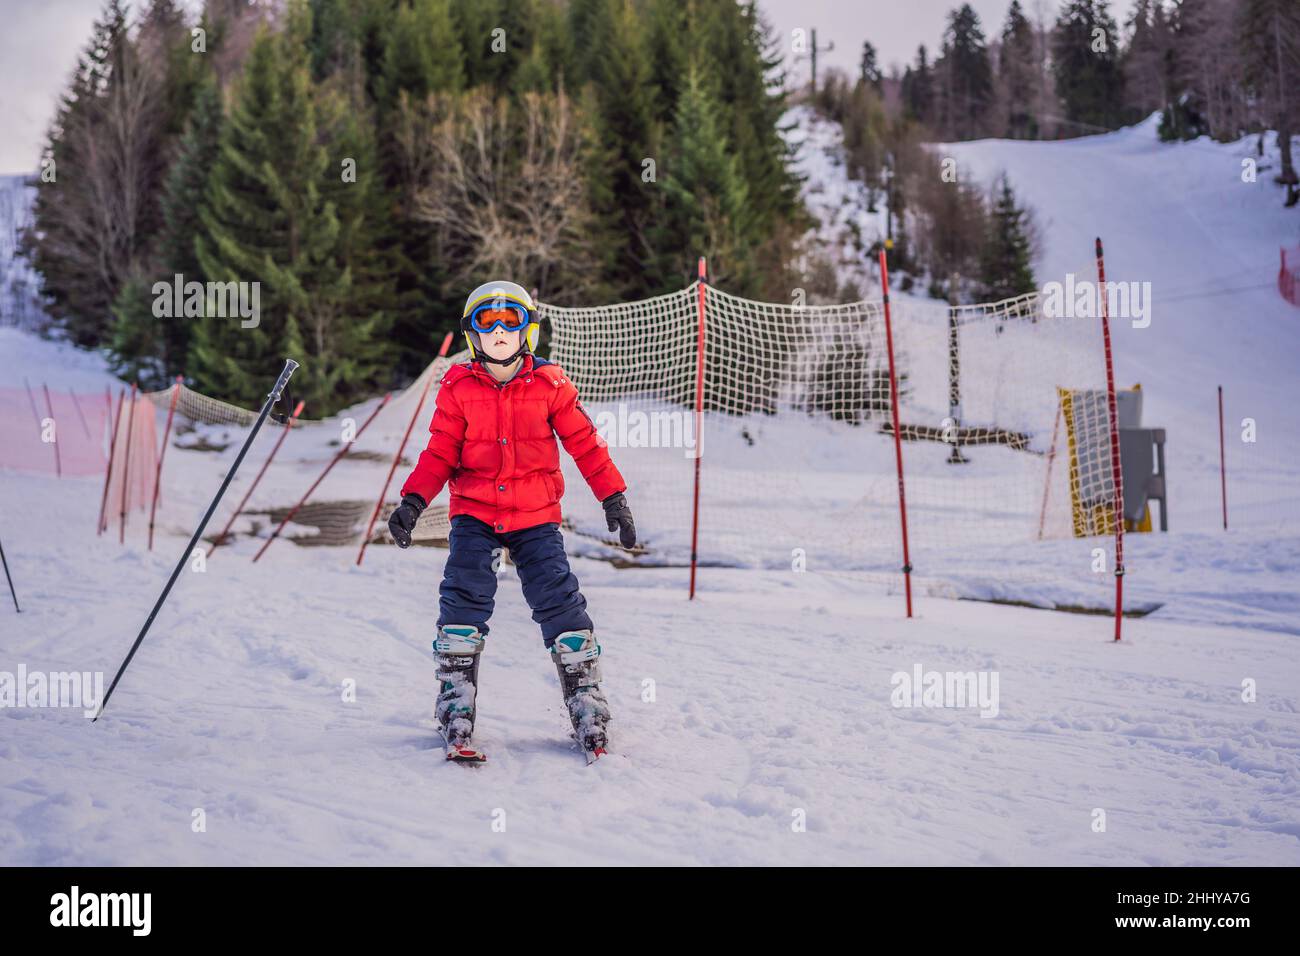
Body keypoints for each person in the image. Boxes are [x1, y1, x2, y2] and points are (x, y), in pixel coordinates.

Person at [388, 280, 636, 763]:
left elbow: (585, 444)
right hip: (475, 513)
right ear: (471, 334)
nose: (499, 329)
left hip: (535, 515)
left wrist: (614, 498)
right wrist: (413, 501)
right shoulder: (458, 386)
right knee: (464, 595)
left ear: (529, 330)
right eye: (486, 321)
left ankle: (587, 701)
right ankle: (455, 701)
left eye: (510, 320)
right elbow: (440, 451)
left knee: (558, 598)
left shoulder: (551, 385)